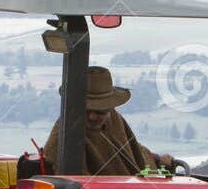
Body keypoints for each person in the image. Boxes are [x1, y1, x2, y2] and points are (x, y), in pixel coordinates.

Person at [40, 66, 174, 176]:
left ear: (110, 108)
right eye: (87, 111)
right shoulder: (64, 133)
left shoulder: (115, 120)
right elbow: (72, 183)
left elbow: (132, 149)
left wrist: (157, 159)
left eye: (100, 111)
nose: (92, 117)